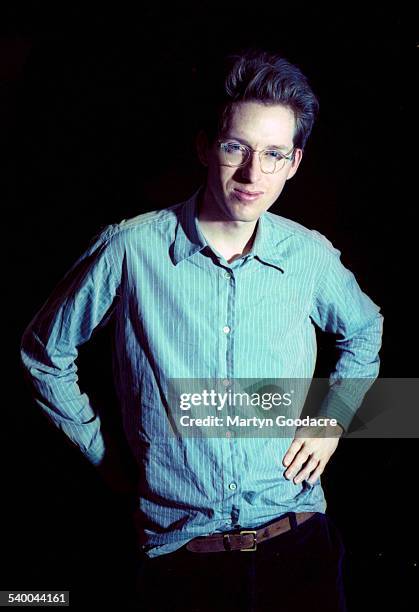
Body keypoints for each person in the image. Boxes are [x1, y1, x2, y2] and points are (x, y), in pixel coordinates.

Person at [20, 47, 383, 611]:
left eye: (273, 154)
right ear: (204, 146)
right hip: (181, 559)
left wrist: (332, 419)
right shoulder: (130, 248)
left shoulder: (309, 256)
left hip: (299, 545)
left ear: (294, 163)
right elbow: (44, 355)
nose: (251, 173)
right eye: (235, 147)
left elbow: (365, 331)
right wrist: (106, 454)